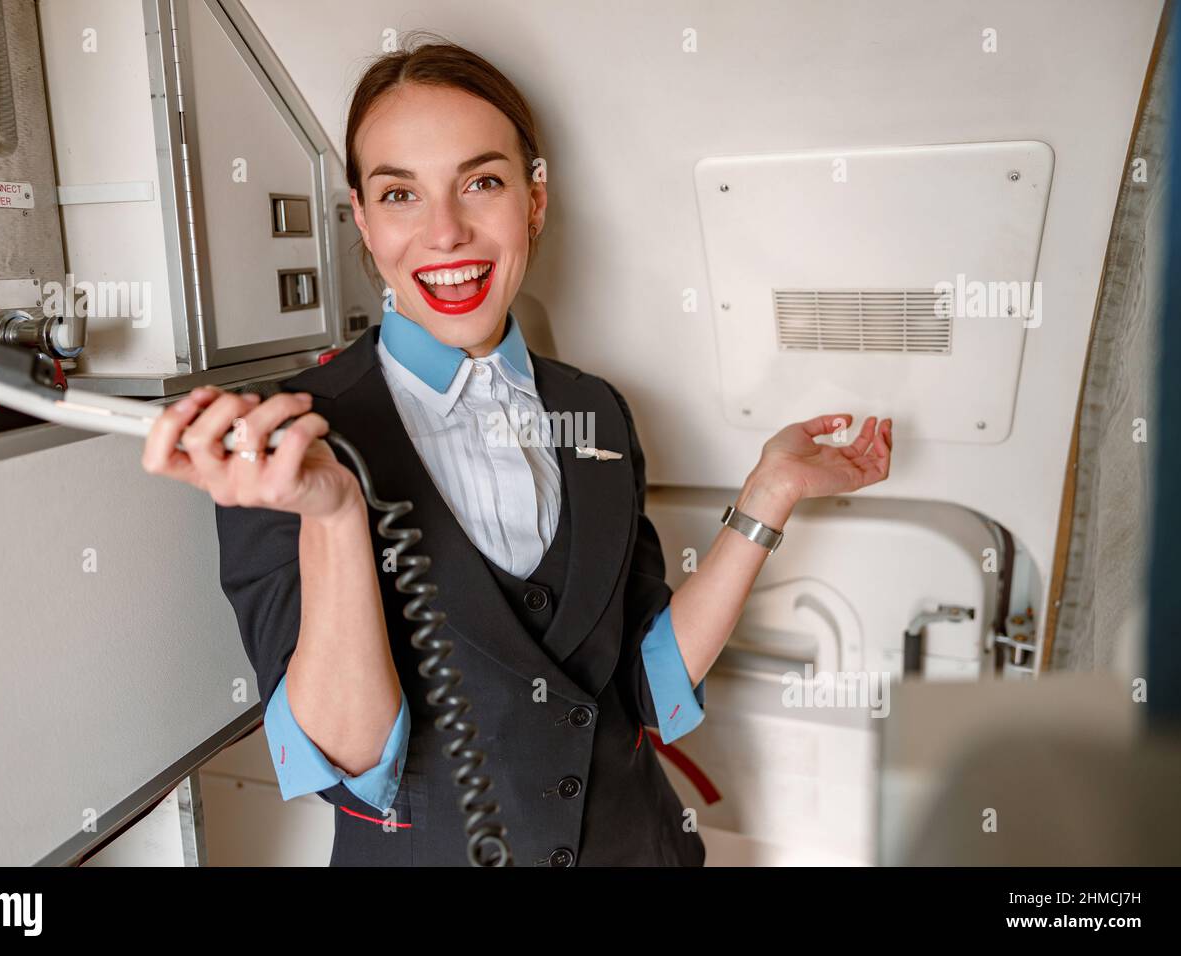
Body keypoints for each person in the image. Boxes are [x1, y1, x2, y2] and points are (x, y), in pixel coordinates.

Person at [141, 34, 892, 866]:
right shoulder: (288, 433)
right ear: (360, 215)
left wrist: (768, 495)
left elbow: (644, 684)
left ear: (534, 202)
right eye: (400, 195)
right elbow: (350, 763)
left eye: (482, 182)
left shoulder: (595, 409)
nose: (447, 232)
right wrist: (335, 514)